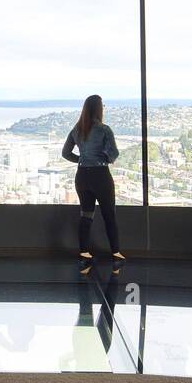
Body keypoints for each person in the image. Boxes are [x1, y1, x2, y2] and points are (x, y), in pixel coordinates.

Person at [62, 95, 125, 270]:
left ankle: (84, 257)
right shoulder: (104, 130)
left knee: (86, 215)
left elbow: (65, 153)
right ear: (99, 108)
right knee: (109, 216)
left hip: (82, 176)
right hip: (101, 176)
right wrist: (102, 157)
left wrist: (82, 159)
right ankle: (116, 256)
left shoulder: (77, 129)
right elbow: (113, 155)